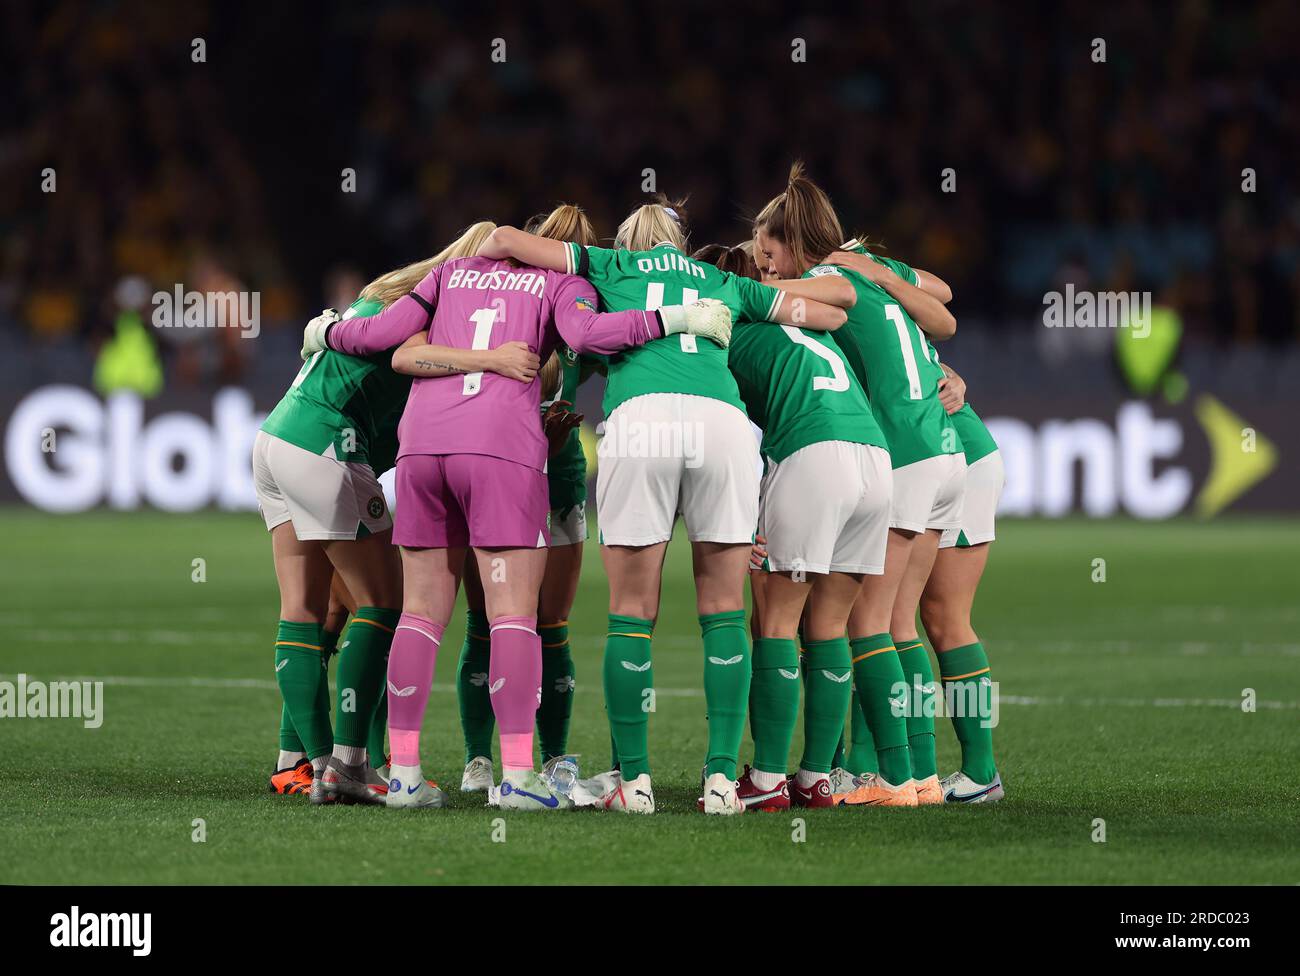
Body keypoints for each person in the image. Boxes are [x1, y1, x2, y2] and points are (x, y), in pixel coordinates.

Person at [302, 231, 731, 810]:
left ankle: (402, 776)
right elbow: (587, 335)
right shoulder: (560, 279)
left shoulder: (448, 274)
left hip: (422, 450)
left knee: (422, 612)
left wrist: (325, 331)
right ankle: (517, 778)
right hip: (499, 449)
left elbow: (380, 336)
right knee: (512, 616)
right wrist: (674, 318)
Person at [477, 198, 848, 814]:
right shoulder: (725, 280)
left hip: (640, 423)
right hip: (723, 424)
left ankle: (636, 784)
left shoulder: (607, 265)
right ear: (681, 244)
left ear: (629, 240)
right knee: (725, 610)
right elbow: (830, 314)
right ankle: (724, 783)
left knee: (630, 610)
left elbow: (499, 239)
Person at [254, 221, 502, 804]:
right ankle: (351, 763)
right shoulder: (431, 315)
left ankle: (307, 763)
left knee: (308, 608)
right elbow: (408, 366)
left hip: (276, 437)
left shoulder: (390, 291)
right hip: (327, 443)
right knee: (385, 601)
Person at [753, 163, 962, 807]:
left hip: (894, 449)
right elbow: (945, 312)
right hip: (942, 448)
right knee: (897, 622)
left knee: (866, 623)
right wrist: (887, 278)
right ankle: (919, 773)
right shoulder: (864, 266)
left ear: (793, 245)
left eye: (767, 253)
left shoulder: (819, 286)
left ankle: (892, 776)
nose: (764, 266)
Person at [696, 243, 892, 811]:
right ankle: (815, 778)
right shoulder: (812, 330)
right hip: (873, 460)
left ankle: (765, 782)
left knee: (778, 624)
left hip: (813, 455)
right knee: (830, 626)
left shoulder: (727, 335)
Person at [456, 205, 601, 795]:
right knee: (519, 623)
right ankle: (507, 761)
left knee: (517, 622)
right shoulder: (527, 299)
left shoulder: (582, 306)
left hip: (541, 470)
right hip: (509, 468)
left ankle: (517, 761)